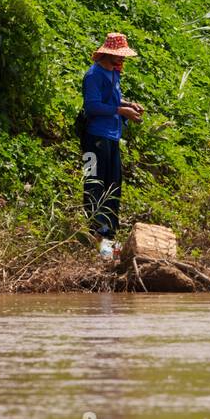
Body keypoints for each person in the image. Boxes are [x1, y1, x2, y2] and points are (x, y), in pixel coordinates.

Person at [81, 32, 143, 259]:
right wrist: (120, 110)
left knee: (113, 187)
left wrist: (129, 105)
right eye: (119, 56)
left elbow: (112, 101)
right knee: (94, 185)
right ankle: (96, 237)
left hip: (112, 137)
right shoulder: (94, 75)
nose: (122, 60)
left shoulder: (113, 73)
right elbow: (92, 106)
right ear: (108, 54)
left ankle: (109, 240)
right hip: (94, 138)